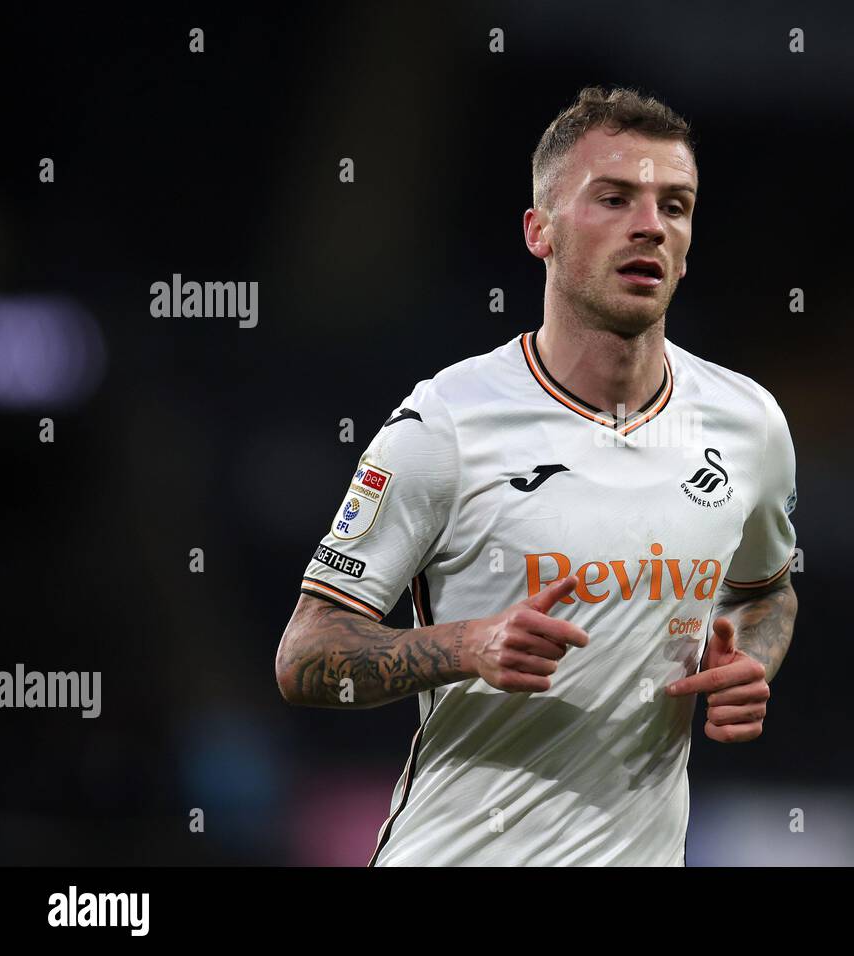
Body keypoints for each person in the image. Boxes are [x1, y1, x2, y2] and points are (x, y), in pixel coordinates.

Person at [274, 86, 800, 866]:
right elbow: (306, 657)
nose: (650, 225)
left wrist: (749, 660)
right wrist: (468, 644)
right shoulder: (447, 423)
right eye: (614, 199)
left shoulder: (748, 423)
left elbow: (769, 592)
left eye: (675, 205)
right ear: (540, 231)